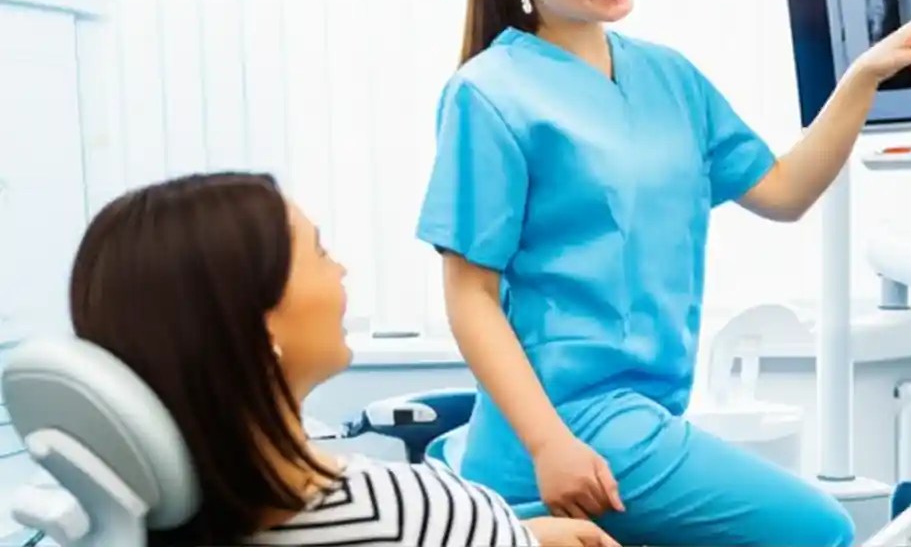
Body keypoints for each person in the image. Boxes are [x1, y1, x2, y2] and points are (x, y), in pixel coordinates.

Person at [415, 0, 911, 547]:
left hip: (646, 412)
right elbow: (469, 295)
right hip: (563, 423)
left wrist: (863, 78)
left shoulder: (669, 77)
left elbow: (784, 191)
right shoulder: (488, 94)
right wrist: (548, 444)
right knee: (821, 532)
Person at [68, 171, 619, 547]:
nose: (341, 272)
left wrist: (517, 533)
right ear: (259, 332)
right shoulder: (409, 508)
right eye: (320, 252)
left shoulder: (132, 520)